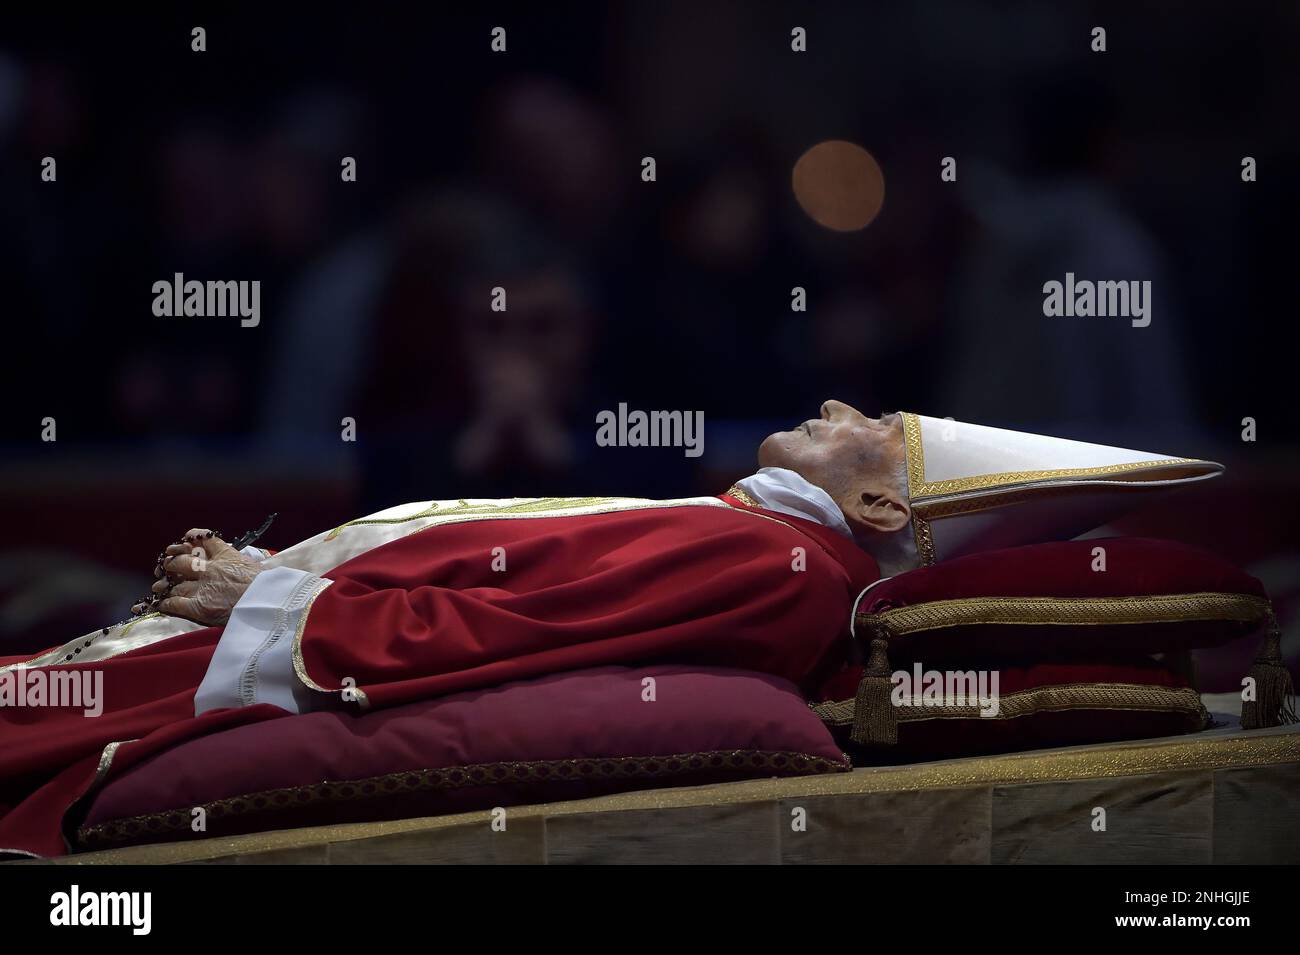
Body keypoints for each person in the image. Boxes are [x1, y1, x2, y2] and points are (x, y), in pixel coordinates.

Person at [0, 400, 1218, 857]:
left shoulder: (774, 555)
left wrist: (257, 598)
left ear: (883, 504)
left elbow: (509, 636)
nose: (837, 403)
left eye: (874, 426)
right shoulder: (763, 530)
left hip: (233, 663)